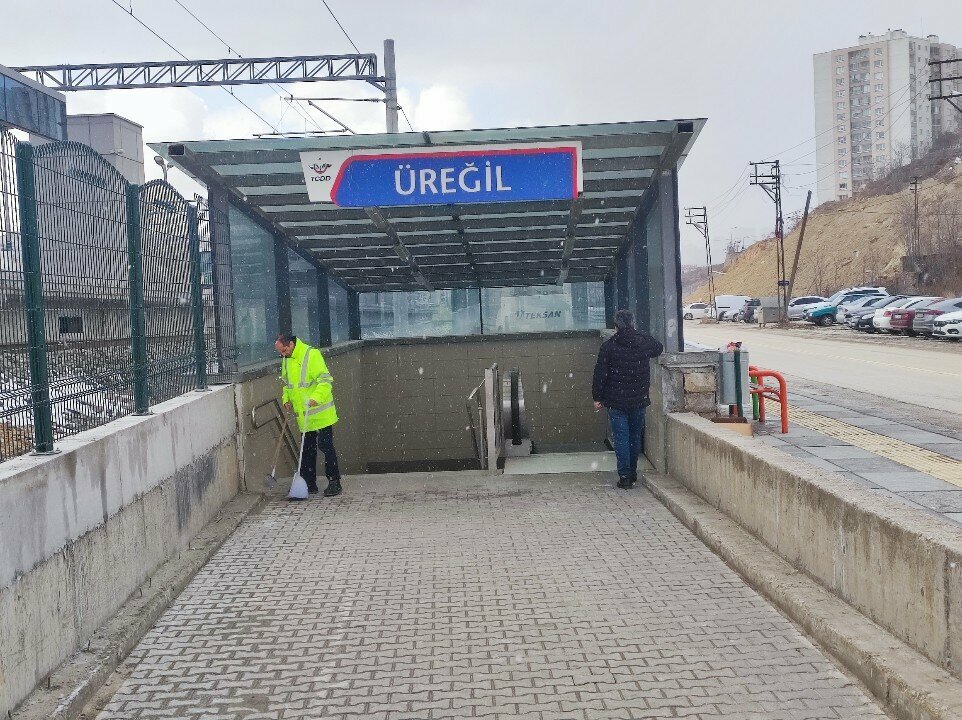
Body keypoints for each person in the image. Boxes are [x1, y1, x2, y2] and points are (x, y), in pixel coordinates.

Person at [591, 310, 664, 489]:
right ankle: (632, 473)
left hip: (615, 401)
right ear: (633, 323)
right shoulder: (643, 342)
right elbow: (658, 348)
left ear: (616, 326)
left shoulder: (609, 346)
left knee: (621, 438)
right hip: (638, 398)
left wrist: (597, 397)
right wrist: (639, 333)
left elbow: (600, 373)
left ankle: (625, 476)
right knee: (634, 437)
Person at [275, 332, 342, 497]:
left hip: (321, 413)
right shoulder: (287, 360)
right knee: (307, 449)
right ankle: (307, 484)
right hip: (304, 416)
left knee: (326, 447)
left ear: (291, 344)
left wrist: (315, 398)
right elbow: (287, 385)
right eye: (280, 352)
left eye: (284, 350)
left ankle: (334, 482)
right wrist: (286, 399)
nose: (282, 355)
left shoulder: (311, 354)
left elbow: (326, 381)